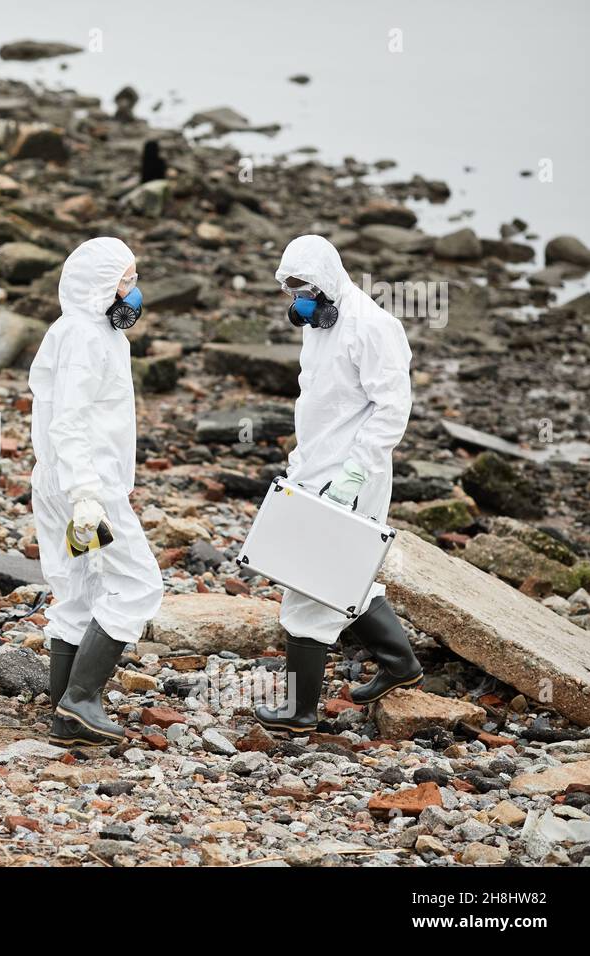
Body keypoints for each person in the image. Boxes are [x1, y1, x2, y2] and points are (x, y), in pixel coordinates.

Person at [254, 234, 420, 733]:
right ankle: (400, 663)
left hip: (354, 473)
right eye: (291, 290)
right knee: (344, 572)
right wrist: (300, 462)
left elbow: (393, 407)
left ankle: (299, 711)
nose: (298, 299)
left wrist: (354, 473)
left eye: (305, 288)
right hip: (316, 467)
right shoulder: (318, 326)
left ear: (327, 279)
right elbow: (320, 402)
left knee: (312, 581)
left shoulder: (373, 326)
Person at [29, 237, 164, 746]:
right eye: (126, 281)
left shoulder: (87, 331)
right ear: (102, 285)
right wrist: (86, 494)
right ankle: (81, 700)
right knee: (138, 585)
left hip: (64, 481)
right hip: (87, 489)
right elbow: (68, 420)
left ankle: (65, 710)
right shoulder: (85, 336)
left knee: (80, 585)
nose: (134, 290)